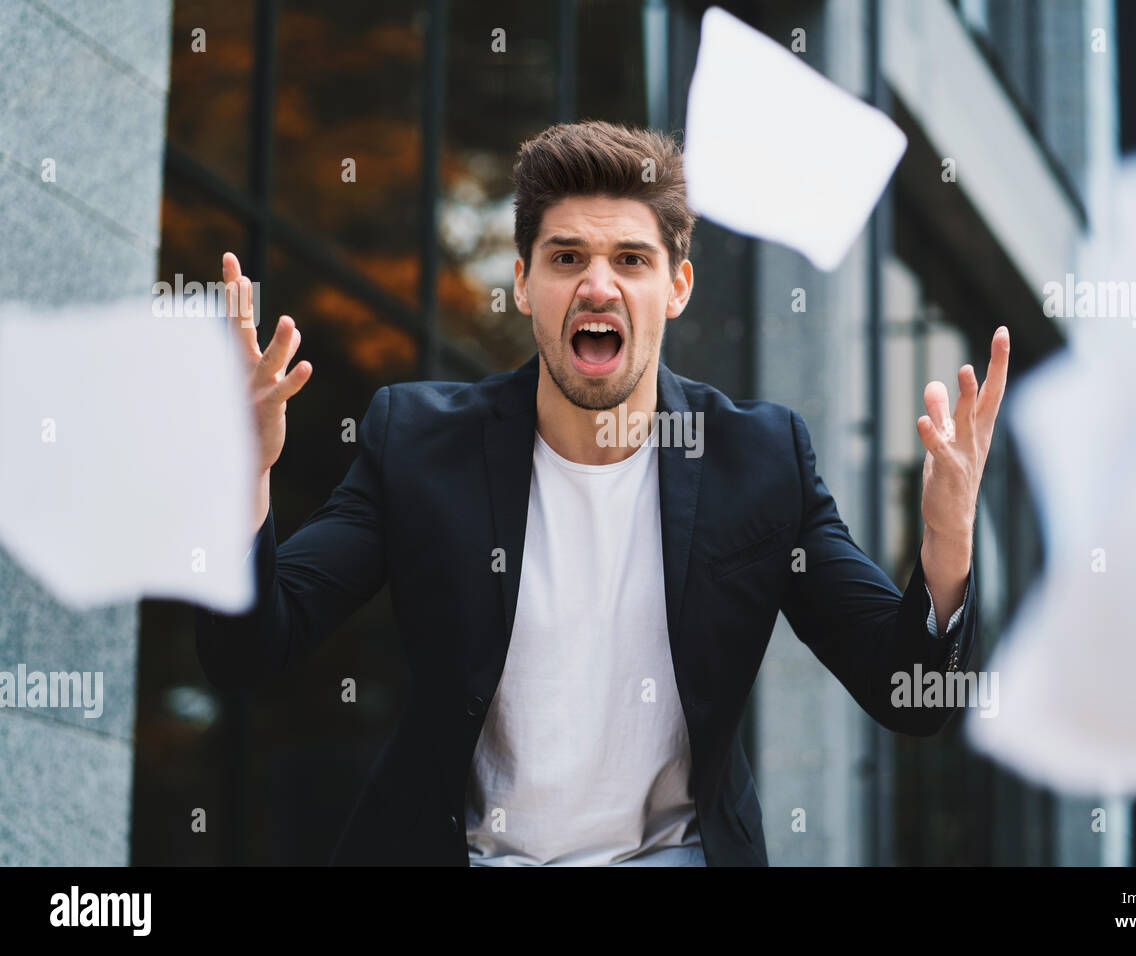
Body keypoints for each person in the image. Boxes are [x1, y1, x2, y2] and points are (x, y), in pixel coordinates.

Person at [194, 119, 1009, 866]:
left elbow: (910, 697)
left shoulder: (758, 459)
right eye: (566, 257)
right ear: (522, 282)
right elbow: (249, 650)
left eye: (630, 259)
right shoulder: (416, 443)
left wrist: (946, 550)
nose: (597, 286)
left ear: (678, 286)